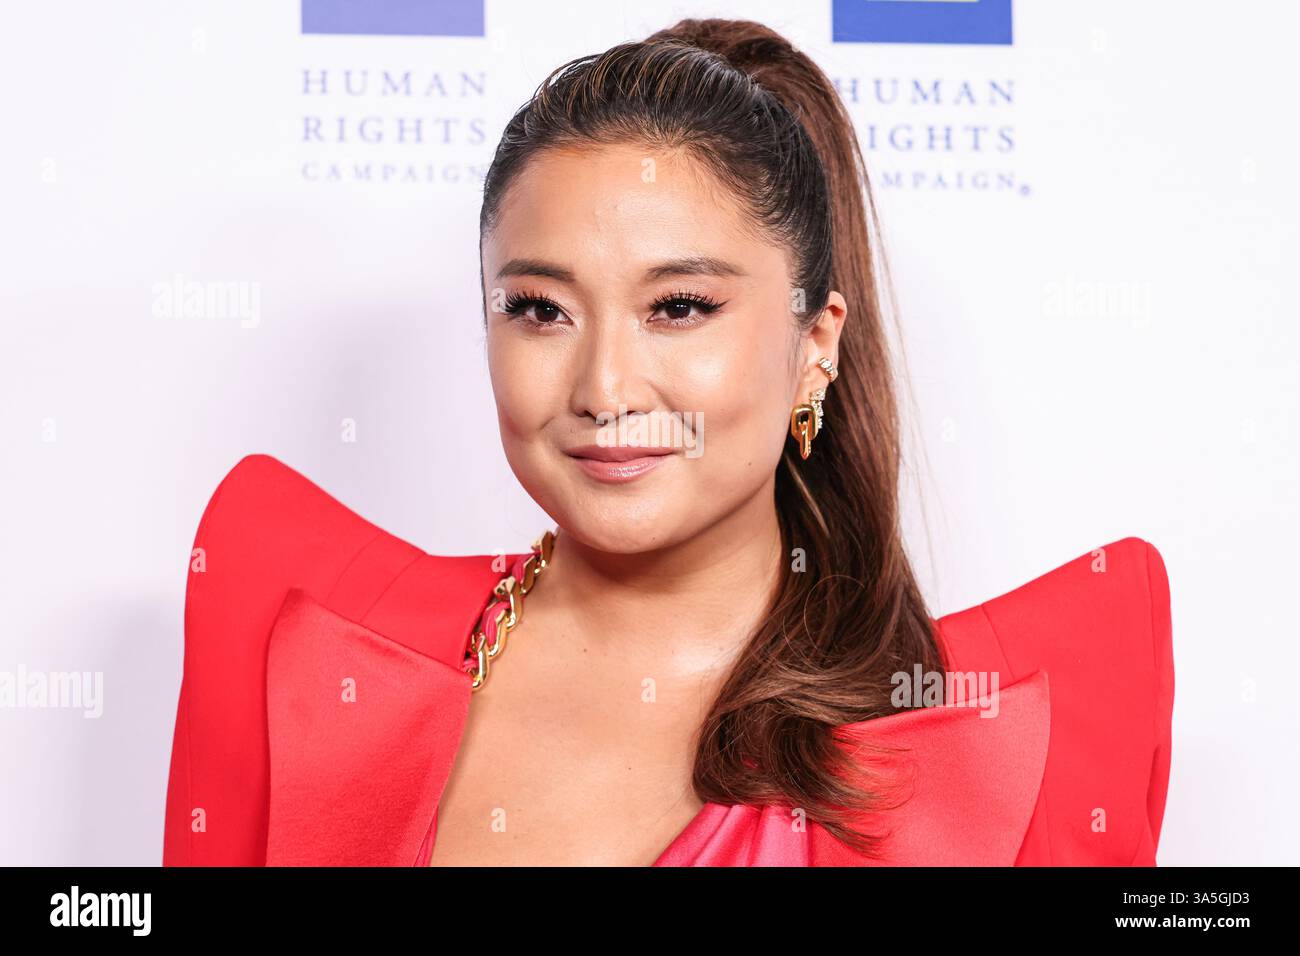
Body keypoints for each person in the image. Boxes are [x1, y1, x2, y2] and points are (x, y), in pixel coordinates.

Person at [163, 18, 1173, 867]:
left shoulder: (982, 751)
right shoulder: (314, 655)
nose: (604, 388)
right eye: (541, 309)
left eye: (679, 305)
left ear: (815, 344)